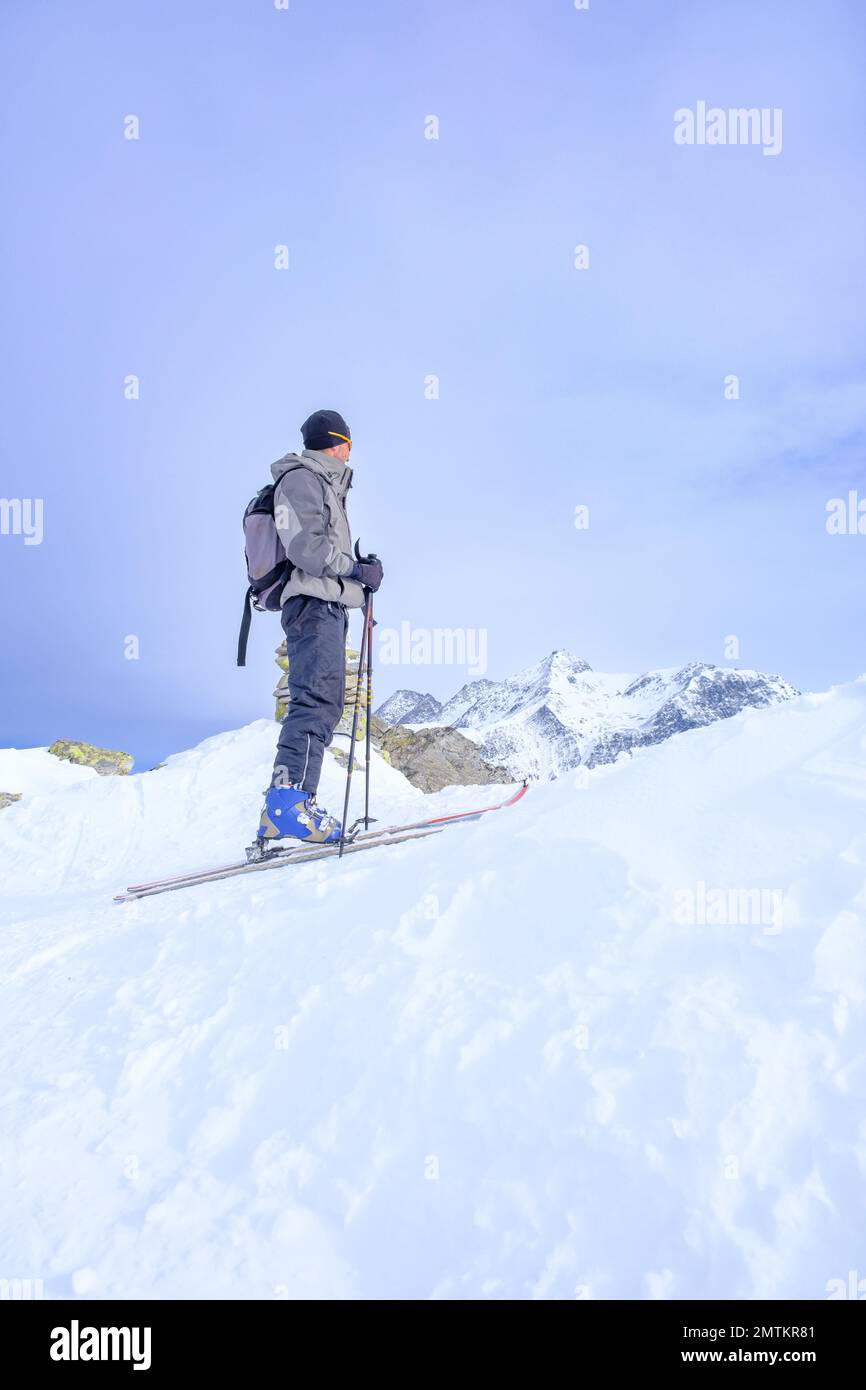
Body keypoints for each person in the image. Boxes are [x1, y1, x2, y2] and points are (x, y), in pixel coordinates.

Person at [256, 410, 383, 846]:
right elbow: (306, 548)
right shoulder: (302, 479)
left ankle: (284, 809)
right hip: (312, 605)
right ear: (339, 443)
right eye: (349, 443)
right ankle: (288, 804)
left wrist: (357, 578)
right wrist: (356, 569)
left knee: (322, 702)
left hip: (326, 604)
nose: (352, 451)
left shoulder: (324, 483)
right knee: (315, 701)